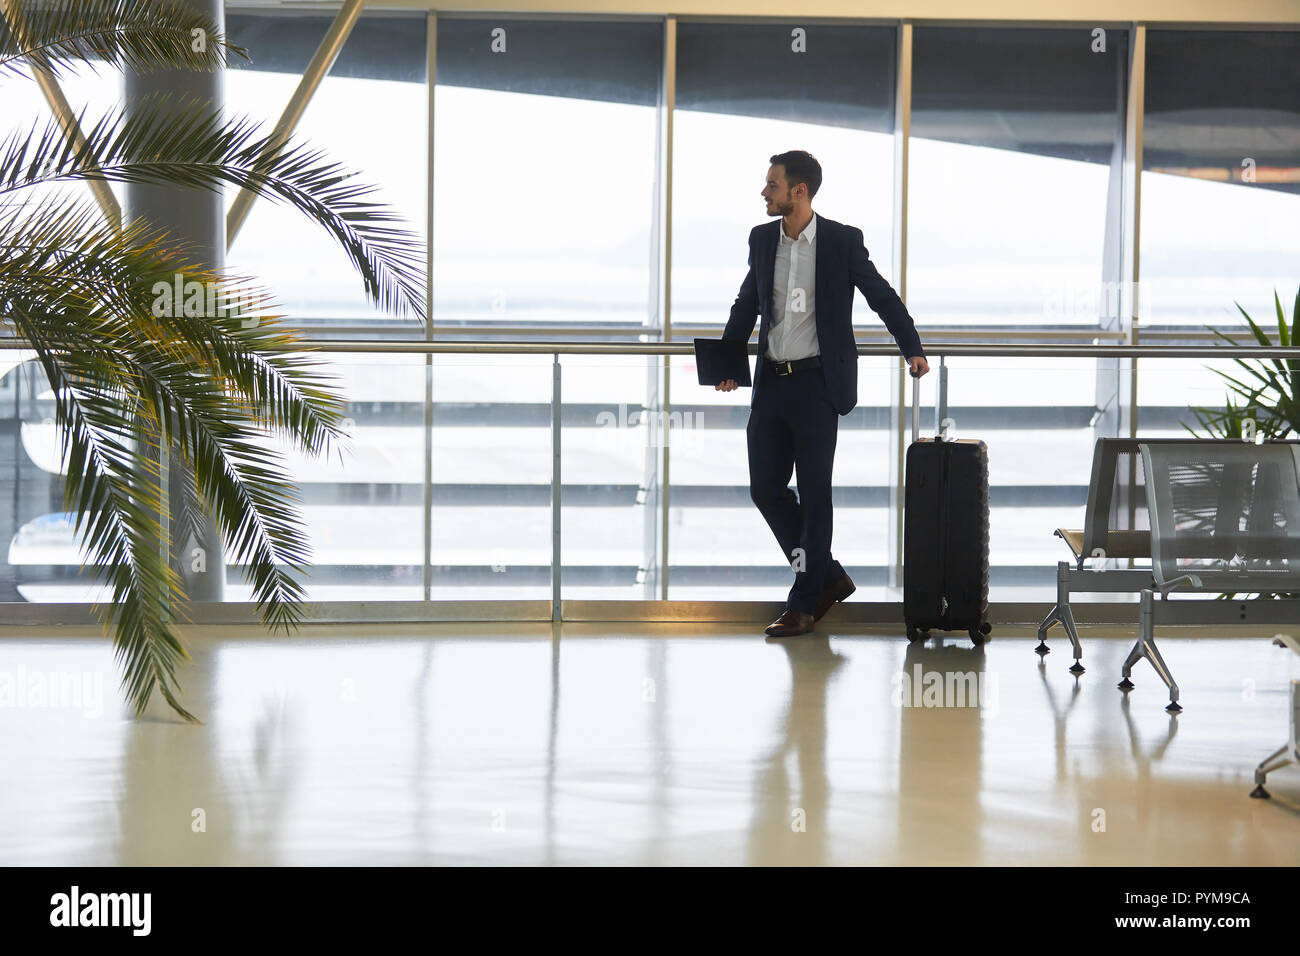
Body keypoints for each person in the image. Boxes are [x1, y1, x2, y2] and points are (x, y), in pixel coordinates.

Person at [716, 150, 929, 637]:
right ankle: (827, 574)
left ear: (799, 191)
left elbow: (881, 296)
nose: (764, 193)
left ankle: (805, 602)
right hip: (771, 384)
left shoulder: (840, 242)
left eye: (772, 185)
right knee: (765, 489)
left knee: (815, 497)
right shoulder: (762, 239)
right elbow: (747, 302)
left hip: (817, 387)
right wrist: (729, 364)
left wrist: (911, 348)